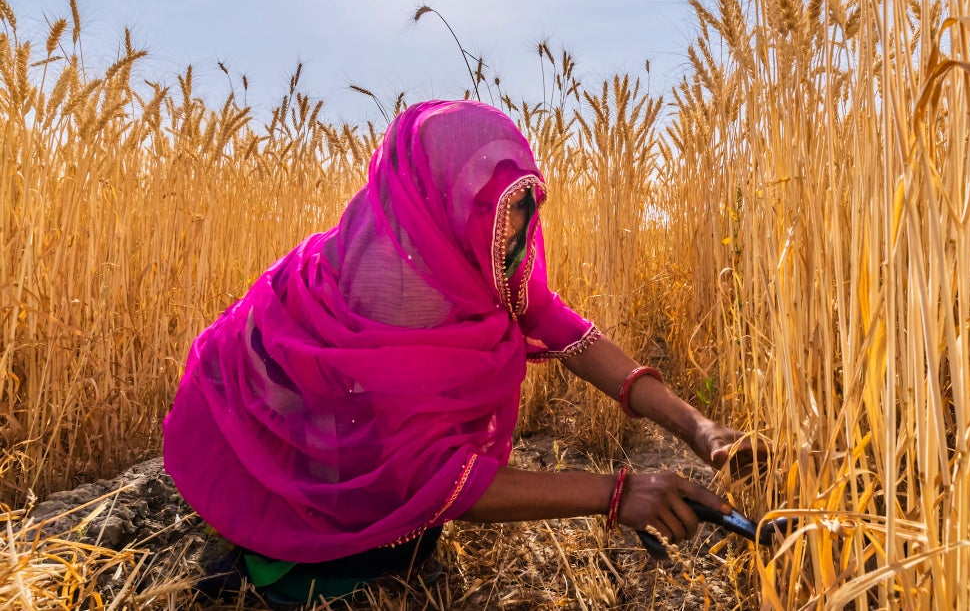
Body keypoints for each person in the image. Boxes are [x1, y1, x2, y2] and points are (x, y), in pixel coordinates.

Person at [163, 99, 749, 605]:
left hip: (352, 436)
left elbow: (560, 326)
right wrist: (615, 493)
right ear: (444, 199)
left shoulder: (485, 248)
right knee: (344, 559)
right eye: (501, 206)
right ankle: (287, 554)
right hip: (295, 461)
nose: (519, 226)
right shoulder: (393, 291)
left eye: (524, 204)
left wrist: (697, 425)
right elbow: (433, 474)